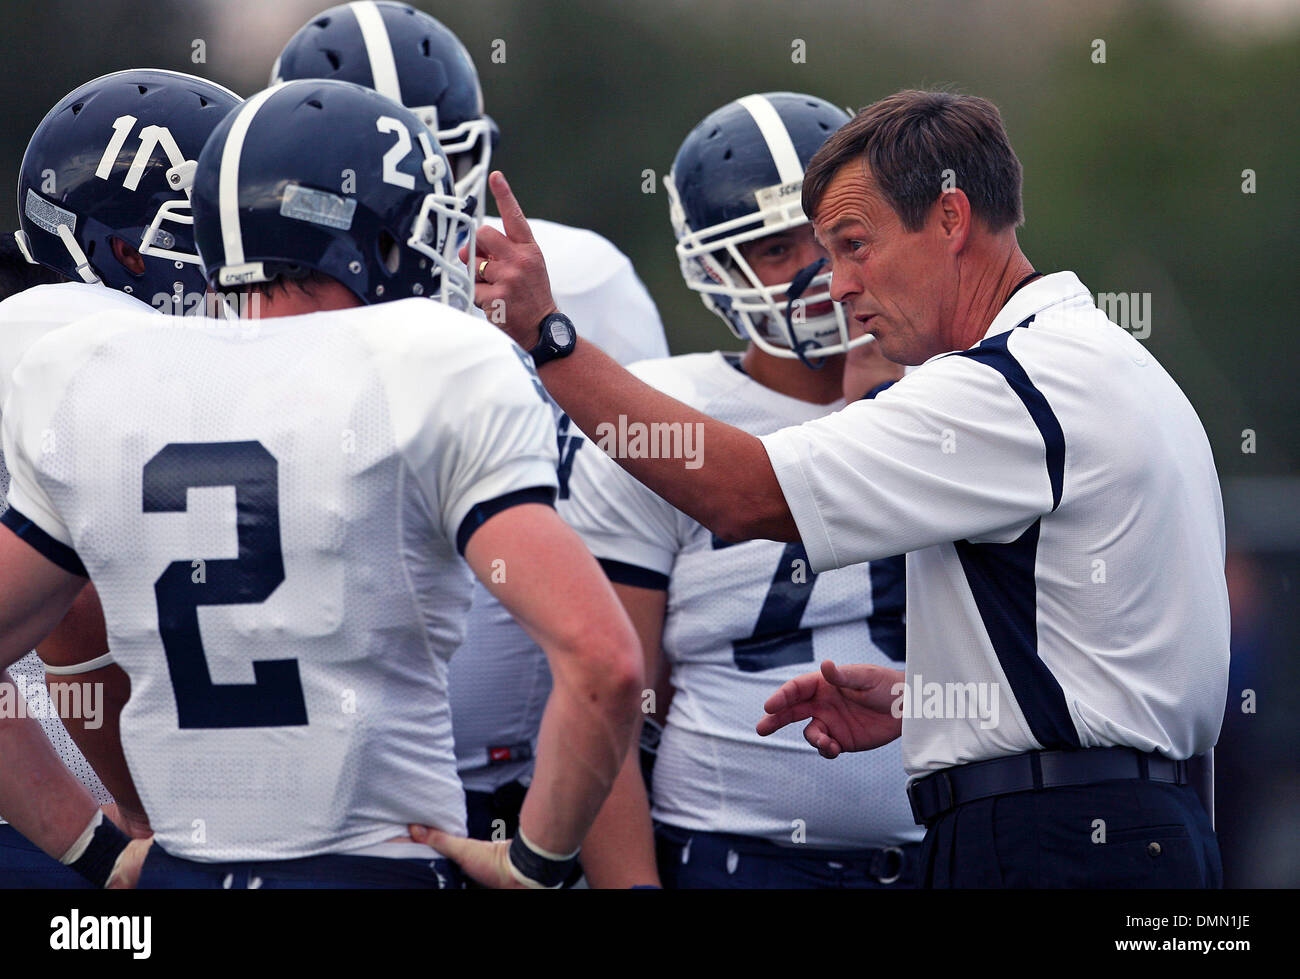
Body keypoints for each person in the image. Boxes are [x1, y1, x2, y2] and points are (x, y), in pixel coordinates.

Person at [461, 89, 1228, 888]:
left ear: (950, 218)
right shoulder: (1100, 357)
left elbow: (747, 492)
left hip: (1057, 838)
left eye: (854, 245)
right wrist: (934, 702)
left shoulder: (1008, 383)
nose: (835, 285)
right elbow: (1099, 657)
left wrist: (550, 337)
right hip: (1131, 826)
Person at [0, 78, 641, 889]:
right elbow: (605, 663)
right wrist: (536, 860)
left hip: (182, 871)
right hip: (374, 865)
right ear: (370, 244)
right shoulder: (430, 363)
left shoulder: (97, 374)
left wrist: (88, 847)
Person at [271, 1, 668, 885]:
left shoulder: (583, 281)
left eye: (433, 162)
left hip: (532, 784)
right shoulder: (251, 305)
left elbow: (642, 547)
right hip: (313, 804)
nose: (398, 207)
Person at [565, 92, 920, 889]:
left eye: (839, 234)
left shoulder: (964, 393)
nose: (816, 269)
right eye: (775, 246)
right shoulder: (668, 415)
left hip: (959, 847)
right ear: (715, 268)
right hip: (740, 854)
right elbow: (609, 700)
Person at [0, 69, 244, 886]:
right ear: (117, 246)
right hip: (49, 816)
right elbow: (70, 607)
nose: (240, 264)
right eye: (203, 234)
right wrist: (126, 826)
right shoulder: (96, 341)